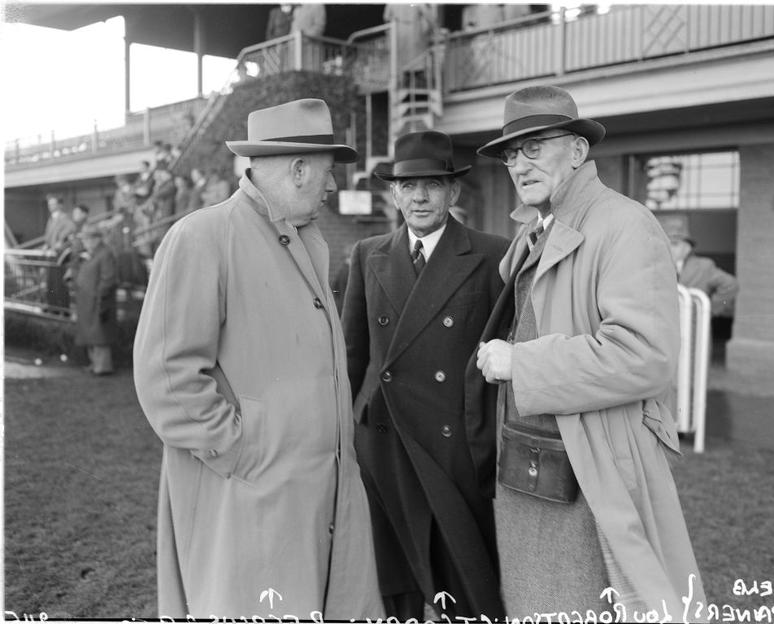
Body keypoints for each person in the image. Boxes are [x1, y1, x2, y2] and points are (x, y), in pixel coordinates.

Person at [133, 98, 383, 619]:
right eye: (328, 172)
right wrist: (243, 452)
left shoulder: (305, 240)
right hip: (249, 500)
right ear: (297, 169)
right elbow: (167, 377)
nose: (333, 186)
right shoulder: (201, 235)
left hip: (314, 497)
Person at [474, 85, 707, 617]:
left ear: (577, 151)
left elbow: (643, 357)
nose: (519, 164)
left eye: (534, 147)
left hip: (592, 471)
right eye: (512, 154)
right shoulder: (535, 230)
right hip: (528, 468)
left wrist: (522, 361)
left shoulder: (626, 224)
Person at [341, 130, 507, 620]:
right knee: (395, 576)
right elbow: (353, 354)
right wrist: (345, 429)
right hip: (385, 440)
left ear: (453, 192)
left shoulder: (493, 253)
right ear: (393, 192)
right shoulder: (367, 253)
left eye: (432, 185)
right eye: (408, 186)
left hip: (456, 441)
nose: (419, 197)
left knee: (464, 572)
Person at [659, 213, 739, 316]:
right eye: (667, 244)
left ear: (687, 247)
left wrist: (708, 309)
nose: (670, 248)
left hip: (694, 327)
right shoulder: (657, 267)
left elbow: (730, 285)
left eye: (675, 244)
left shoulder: (703, 266)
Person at [73, 224, 117, 375]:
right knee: (91, 335)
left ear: (96, 239)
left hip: (99, 301)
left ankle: (103, 367)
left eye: (86, 239)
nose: (84, 242)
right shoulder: (91, 254)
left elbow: (108, 278)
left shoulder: (105, 254)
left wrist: (100, 295)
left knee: (100, 335)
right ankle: (95, 364)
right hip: (88, 301)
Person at [43, 195, 76, 310]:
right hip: (51, 255)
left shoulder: (64, 218)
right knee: (51, 282)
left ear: (60, 205)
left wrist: (60, 241)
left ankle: (63, 308)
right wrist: (46, 245)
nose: (50, 206)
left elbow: (71, 229)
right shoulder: (51, 219)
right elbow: (48, 237)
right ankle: (52, 306)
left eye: (53, 204)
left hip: (60, 256)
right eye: (49, 204)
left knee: (59, 284)